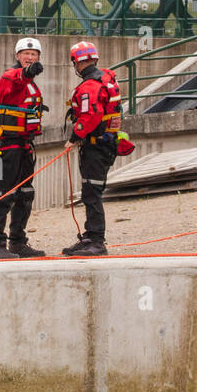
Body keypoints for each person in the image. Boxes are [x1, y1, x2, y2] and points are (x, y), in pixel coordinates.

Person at [0, 37, 49, 259]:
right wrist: (27, 73)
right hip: (5, 147)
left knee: (25, 194)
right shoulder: (9, 76)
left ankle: (17, 243)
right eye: (26, 54)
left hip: (24, 145)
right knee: (2, 195)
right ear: (17, 56)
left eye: (34, 55)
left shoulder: (30, 83)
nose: (30, 57)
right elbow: (15, 79)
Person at [61, 40, 124, 257]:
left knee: (92, 193)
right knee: (91, 191)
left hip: (97, 147)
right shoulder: (105, 79)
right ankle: (90, 236)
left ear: (76, 63)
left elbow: (90, 116)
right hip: (104, 144)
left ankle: (96, 241)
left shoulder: (89, 86)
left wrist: (74, 137)